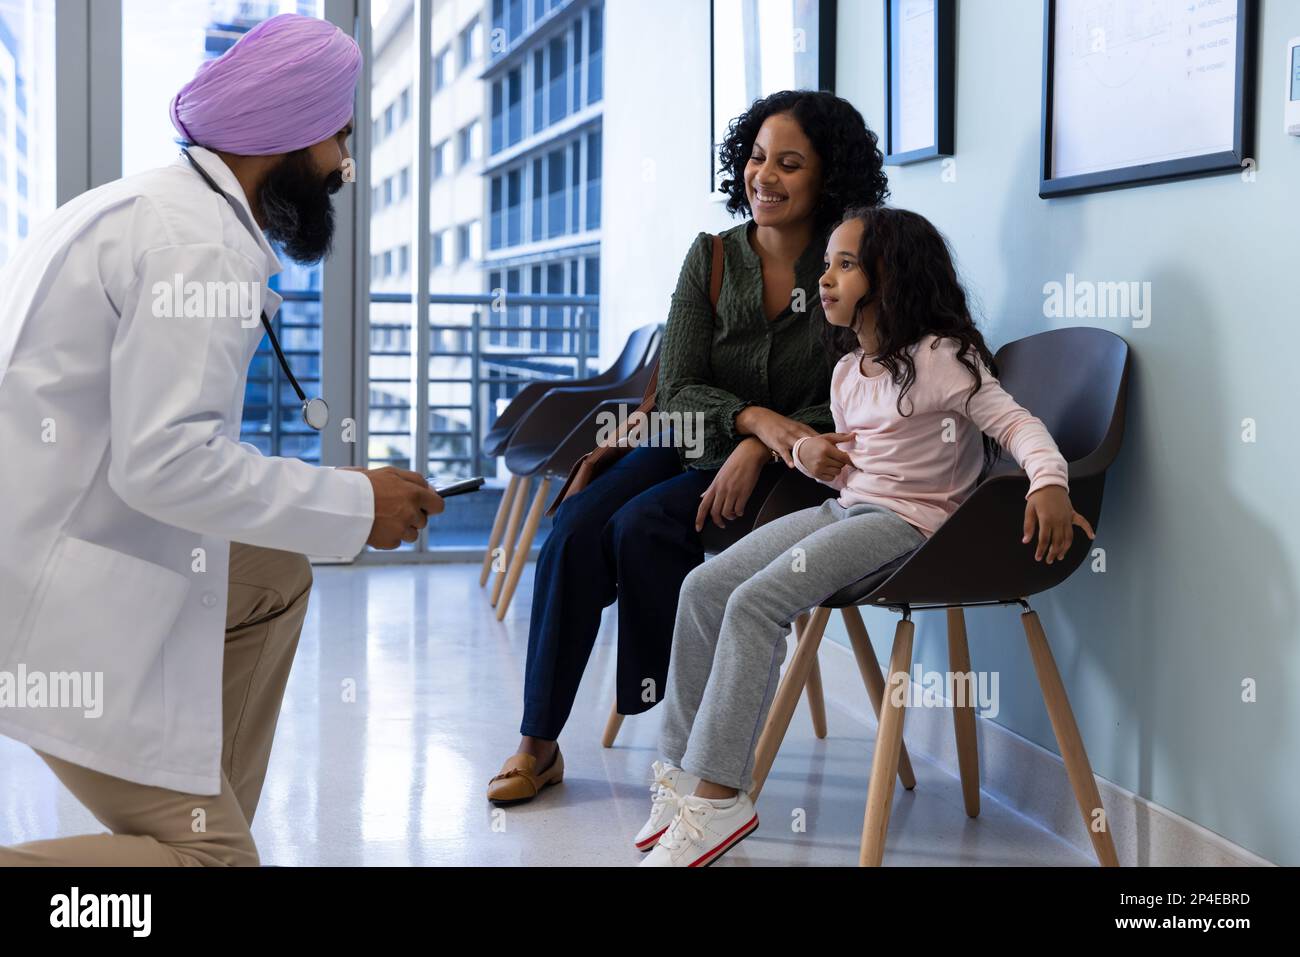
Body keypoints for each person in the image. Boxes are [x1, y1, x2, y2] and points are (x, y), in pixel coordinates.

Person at [0, 14, 442, 866]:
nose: (343, 169)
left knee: (274, 572)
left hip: (47, 541)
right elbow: (167, 464)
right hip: (53, 602)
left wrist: (340, 506)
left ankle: (199, 811)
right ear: (295, 132)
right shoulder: (198, 247)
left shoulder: (140, 207)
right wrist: (358, 500)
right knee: (216, 866)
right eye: (340, 141)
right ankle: (205, 848)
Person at [637, 206, 1096, 866]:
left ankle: (718, 800)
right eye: (826, 263)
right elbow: (855, 459)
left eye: (844, 265)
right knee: (705, 586)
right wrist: (810, 456)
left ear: (893, 277)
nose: (824, 278)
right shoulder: (850, 370)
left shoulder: (943, 357)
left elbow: (1018, 425)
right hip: (847, 511)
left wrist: (1048, 482)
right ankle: (679, 776)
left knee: (755, 603)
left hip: (912, 526)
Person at [488, 90, 892, 805]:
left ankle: (684, 733)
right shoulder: (710, 257)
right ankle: (537, 743)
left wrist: (768, 447)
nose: (764, 175)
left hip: (791, 471)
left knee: (641, 526)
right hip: (691, 438)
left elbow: (851, 391)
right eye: (758, 157)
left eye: (790, 163)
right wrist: (755, 424)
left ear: (829, 178)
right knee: (574, 530)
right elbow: (676, 389)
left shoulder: (850, 267)